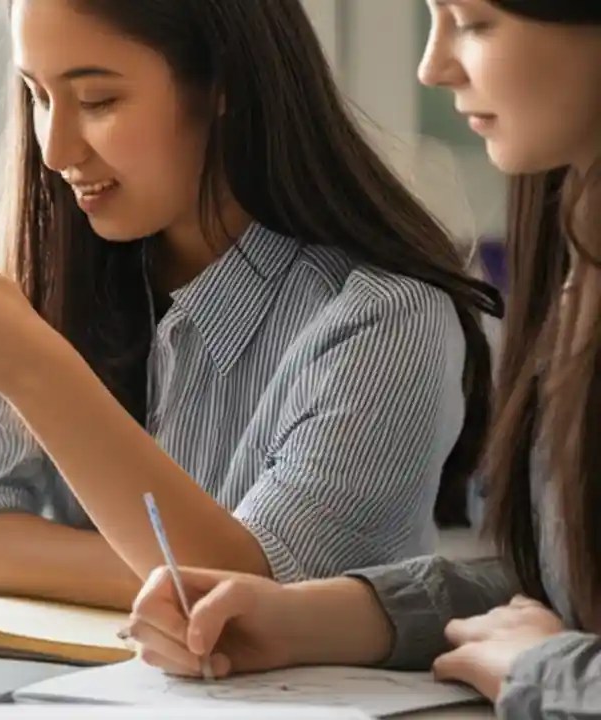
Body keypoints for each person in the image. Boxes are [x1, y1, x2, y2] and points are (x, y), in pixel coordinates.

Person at [0, 0, 499, 609]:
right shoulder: (60, 273)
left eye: (97, 100)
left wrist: (38, 371)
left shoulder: (387, 321)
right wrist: (182, 575)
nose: (56, 151)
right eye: (36, 95)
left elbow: (271, 607)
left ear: (224, 86)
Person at [124, 1, 601, 716]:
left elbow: (551, 638)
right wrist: (313, 619)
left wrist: (551, 671)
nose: (432, 66)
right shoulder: (574, 275)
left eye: (473, 23)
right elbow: (564, 591)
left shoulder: (384, 312)